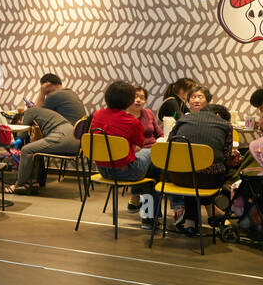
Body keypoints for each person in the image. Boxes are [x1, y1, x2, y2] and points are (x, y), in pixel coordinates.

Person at [89, 79, 156, 225]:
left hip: (102, 170)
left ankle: (136, 201)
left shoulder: (97, 115)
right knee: (152, 155)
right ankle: (149, 217)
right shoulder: (133, 122)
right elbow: (139, 146)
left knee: (146, 162)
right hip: (127, 172)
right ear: (129, 100)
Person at [162, 102, 234, 234]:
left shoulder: (183, 119)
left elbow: (169, 143)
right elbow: (227, 156)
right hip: (208, 180)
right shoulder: (226, 125)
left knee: (192, 172)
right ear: (218, 115)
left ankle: (191, 222)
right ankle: (212, 209)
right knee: (205, 173)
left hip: (178, 177)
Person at [6, 106, 78, 194]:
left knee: (26, 150)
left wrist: (13, 143)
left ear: (19, 120)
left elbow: (22, 135)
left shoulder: (28, 112)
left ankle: (18, 185)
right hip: (75, 139)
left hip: (62, 137)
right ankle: (33, 182)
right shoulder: (42, 113)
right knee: (35, 149)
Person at [125, 85, 163, 211]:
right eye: (135, 97)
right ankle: (150, 215)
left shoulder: (148, 113)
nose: (138, 100)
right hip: (134, 153)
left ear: (145, 101)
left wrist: (161, 142)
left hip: (153, 150)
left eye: (142, 98)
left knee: (155, 165)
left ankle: (136, 198)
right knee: (153, 169)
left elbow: (159, 134)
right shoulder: (123, 117)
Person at [20, 73, 85, 124]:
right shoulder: (70, 92)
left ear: (47, 84)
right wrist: (34, 108)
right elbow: (41, 111)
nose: (46, 94)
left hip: (65, 134)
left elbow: (37, 116)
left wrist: (42, 92)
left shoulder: (54, 95)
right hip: (77, 134)